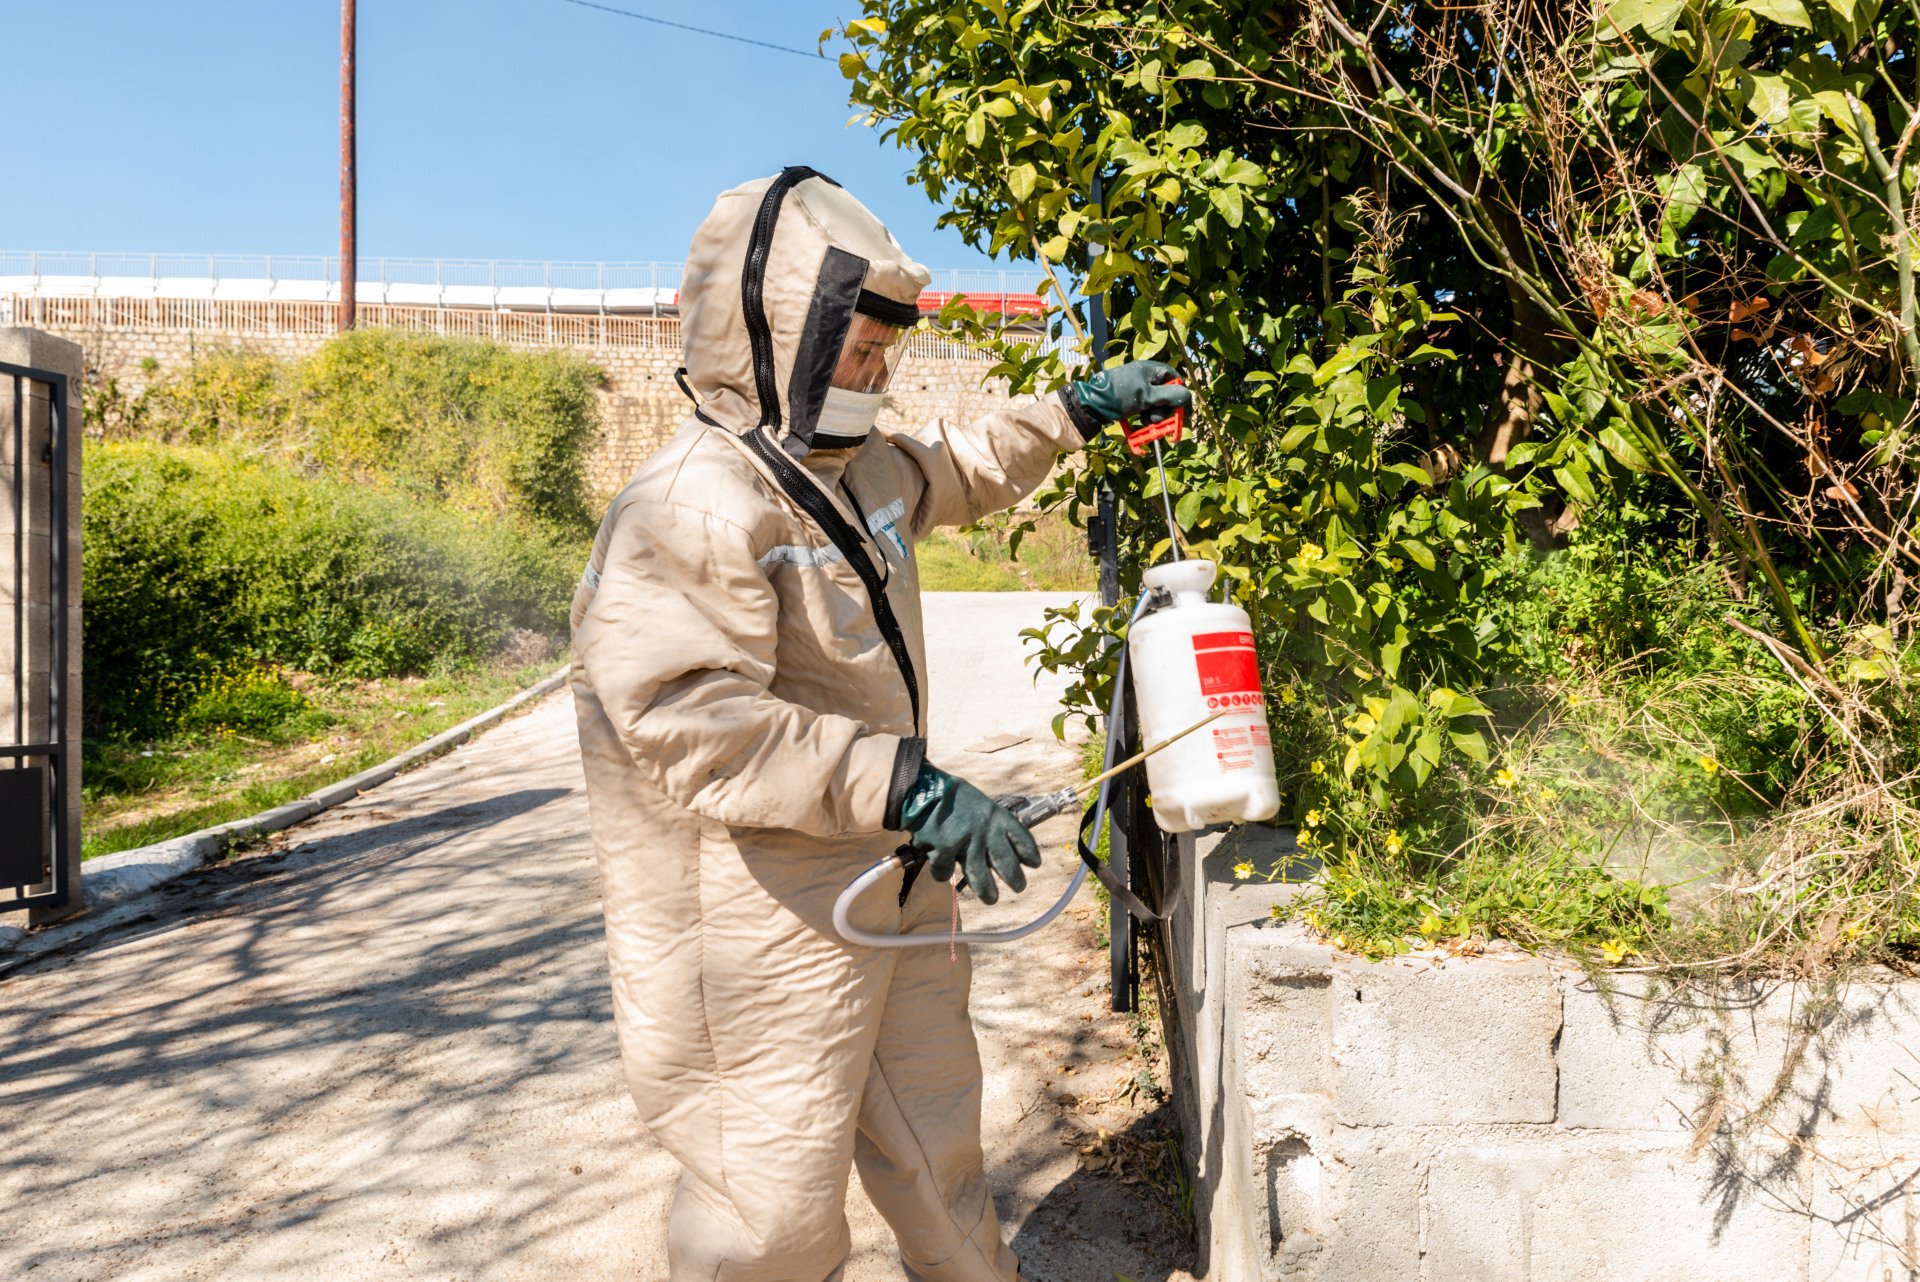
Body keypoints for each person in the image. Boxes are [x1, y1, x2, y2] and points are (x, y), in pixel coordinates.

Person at [570, 167, 1191, 1282]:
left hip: (888, 881)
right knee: (767, 1214)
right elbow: (687, 717)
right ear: (779, 337)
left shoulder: (851, 469)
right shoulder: (692, 504)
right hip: (757, 922)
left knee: (937, 1146)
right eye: (859, 352)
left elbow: (957, 467)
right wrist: (905, 786)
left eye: (881, 351)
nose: (878, 372)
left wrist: (1079, 412)